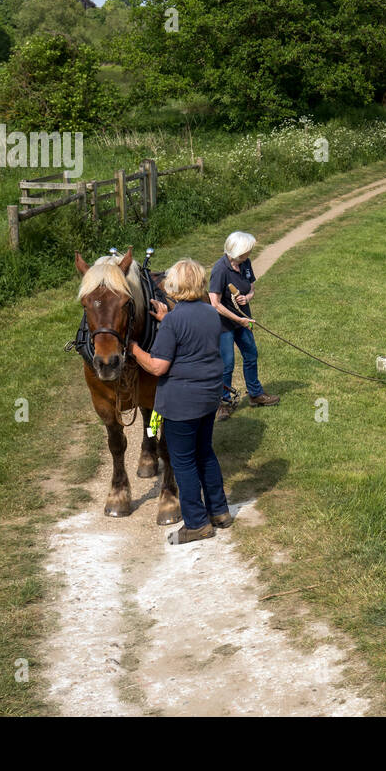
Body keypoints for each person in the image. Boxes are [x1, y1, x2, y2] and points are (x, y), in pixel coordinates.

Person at [129, 259, 231, 545]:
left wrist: (134, 349)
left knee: (183, 461)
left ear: (174, 286)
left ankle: (197, 523)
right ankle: (219, 512)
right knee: (205, 453)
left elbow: (158, 366)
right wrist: (168, 318)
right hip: (210, 396)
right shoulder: (211, 313)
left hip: (182, 403)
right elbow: (192, 329)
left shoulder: (174, 321)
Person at [210, 231, 279, 420]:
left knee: (251, 354)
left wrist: (246, 297)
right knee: (227, 363)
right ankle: (222, 403)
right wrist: (238, 319)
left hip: (243, 320)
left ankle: (255, 394)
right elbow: (214, 303)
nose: (250, 252)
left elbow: (251, 288)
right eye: (248, 250)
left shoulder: (245, 263)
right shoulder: (220, 270)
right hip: (224, 325)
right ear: (238, 251)